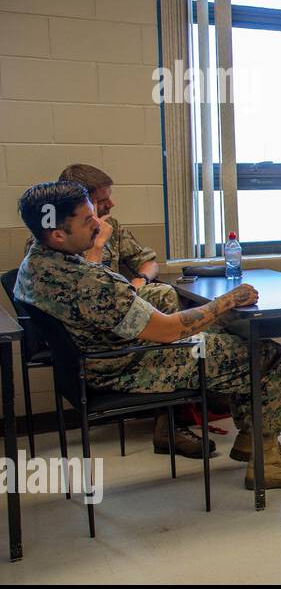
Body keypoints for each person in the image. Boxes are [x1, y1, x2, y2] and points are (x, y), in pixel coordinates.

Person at [15, 181, 281, 489]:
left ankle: (251, 439)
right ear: (57, 234)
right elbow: (169, 330)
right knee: (265, 353)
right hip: (123, 365)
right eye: (88, 220)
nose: (99, 225)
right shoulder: (87, 282)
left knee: (179, 305)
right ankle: (266, 461)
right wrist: (228, 300)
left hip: (90, 360)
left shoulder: (35, 262)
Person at [54, 164, 213, 459]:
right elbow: (89, 287)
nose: (110, 205)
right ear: (81, 203)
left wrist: (139, 281)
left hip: (122, 313)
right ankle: (169, 411)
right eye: (102, 200)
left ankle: (169, 421)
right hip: (93, 335)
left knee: (164, 294)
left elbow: (148, 261)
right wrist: (97, 243)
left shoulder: (113, 227)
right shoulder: (56, 240)